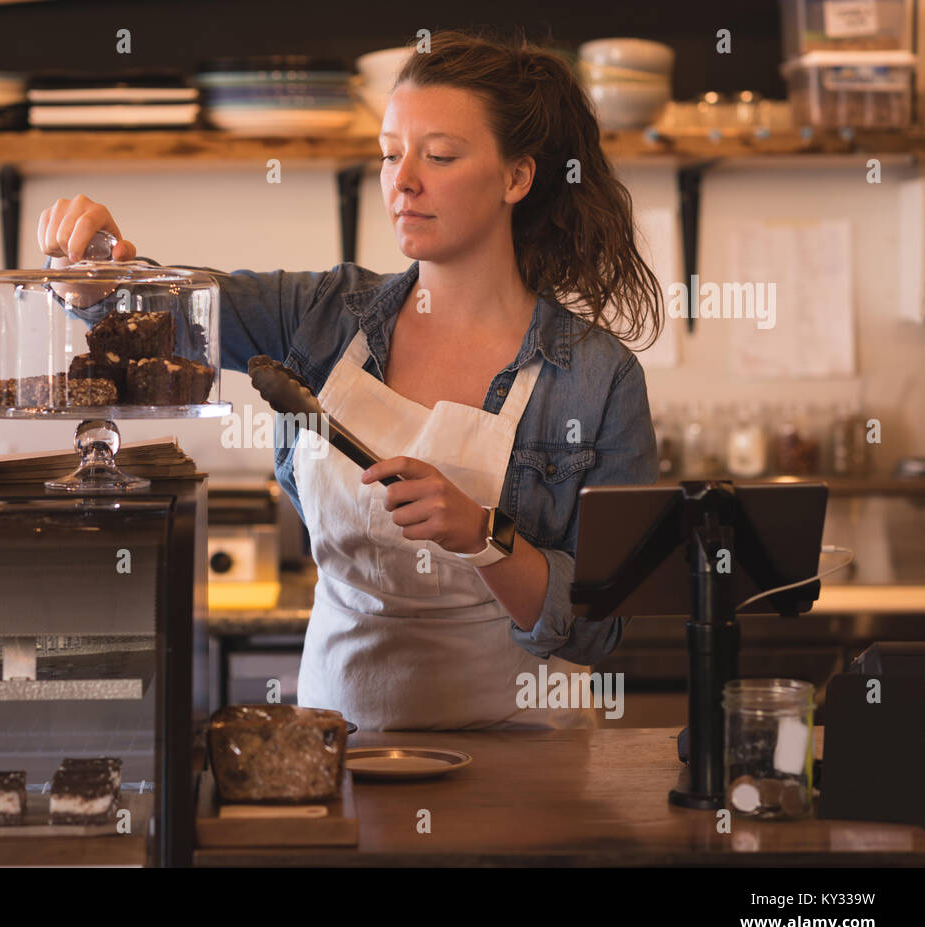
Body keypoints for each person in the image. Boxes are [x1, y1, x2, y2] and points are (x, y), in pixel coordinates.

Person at [37, 30, 661, 731]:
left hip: (523, 768)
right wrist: (100, 273)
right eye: (392, 154)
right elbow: (172, 310)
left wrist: (486, 536)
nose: (403, 180)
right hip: (336, 751)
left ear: (517, 178)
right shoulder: (323, 316)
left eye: (441, 156)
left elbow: (599, 627)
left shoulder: (597, 378)